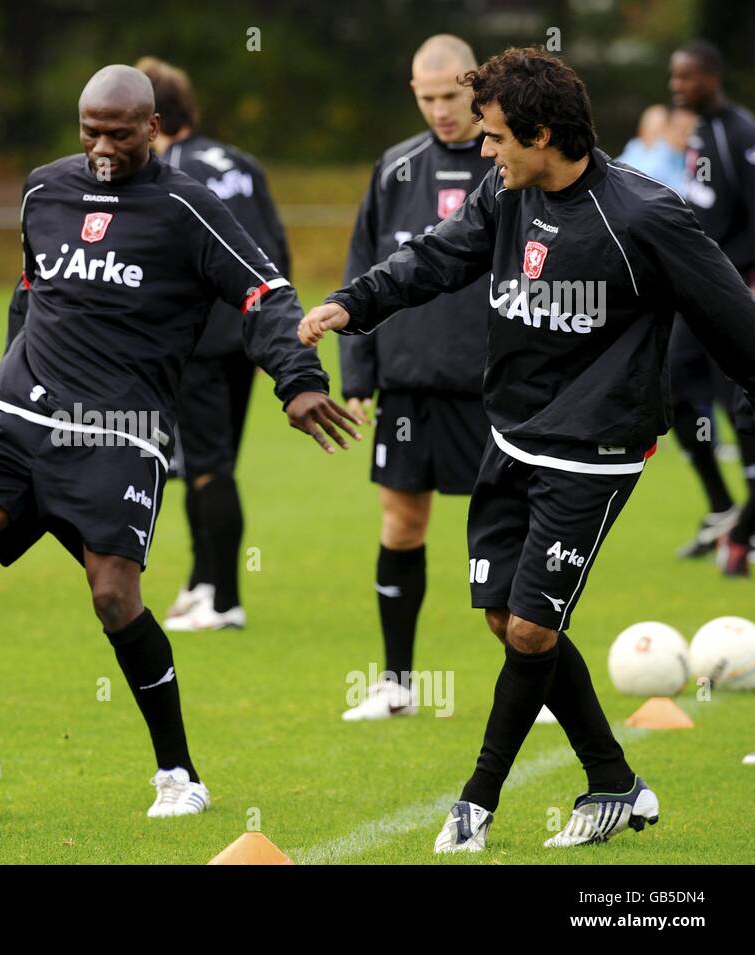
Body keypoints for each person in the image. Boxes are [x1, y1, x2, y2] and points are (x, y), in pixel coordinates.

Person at [300, 47, 755, 852]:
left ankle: (475, 802)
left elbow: (736, 324)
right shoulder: (504, 192)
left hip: (595, 449)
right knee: (506, 618)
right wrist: (353, 304)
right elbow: (438, 256)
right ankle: (615, 780)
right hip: (509, 436)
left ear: (544, 134)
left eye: (497, 136)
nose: (483, 150)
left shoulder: (645, 216)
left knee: (534, 633)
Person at [0, 64, 356, 818]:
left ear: (154, 128)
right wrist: (11, 372)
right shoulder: (44, 189)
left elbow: (264, 293)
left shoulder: (188, 207)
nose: (103, 146)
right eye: (91, 130)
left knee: (114, 597)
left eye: (120, 132)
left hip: (121, 430)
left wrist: (298, 379)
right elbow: (33, 290)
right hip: (24, 417)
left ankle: (178, 773)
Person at [336, 35, 494, 720]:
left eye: (451, 98)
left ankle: (542, 679)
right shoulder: (397, 166)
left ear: (475, 88)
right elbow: (363, 267)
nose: (440, 112)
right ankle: (397, 682)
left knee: (510, 528)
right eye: (427, 99)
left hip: (494, 387)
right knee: (402, 525)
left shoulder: (509, 163)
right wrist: (357, 368)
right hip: (407, 383)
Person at [132, 56, 290, 633]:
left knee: (205, 467)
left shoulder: (165, 170)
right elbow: (276, 250)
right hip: (249, 334)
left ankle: (223, 600)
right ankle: (202, 582)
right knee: (212, 465)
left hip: (195, 341)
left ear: (149, 116)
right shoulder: (243, 163)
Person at [667, 39, 755, 570]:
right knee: (672, 386)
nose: (677, 87)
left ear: (711, 77)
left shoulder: (740, 134)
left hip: (732, 294)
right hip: (693, 292)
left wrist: (729, 275)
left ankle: (748, 523)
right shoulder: (698, 133)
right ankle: (722, 508)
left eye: (687, 78)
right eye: (674, 79)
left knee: (737, 405)